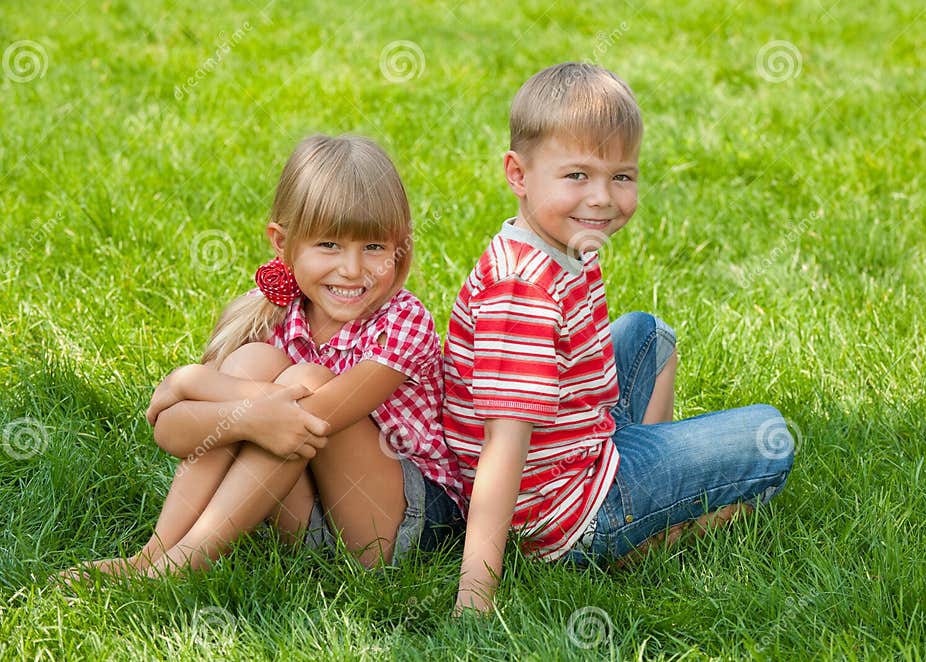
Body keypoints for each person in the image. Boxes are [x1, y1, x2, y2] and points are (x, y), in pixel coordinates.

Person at [443, 63, 795, 614]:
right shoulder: (522, 290)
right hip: (557, 508)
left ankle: (642, 497)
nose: (603, 198)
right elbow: (504, 442)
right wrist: (475, 599)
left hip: (573, 449)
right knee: (770, 436)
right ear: (518, 173)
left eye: (622, 176)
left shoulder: (562, 244)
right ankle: (625, 536)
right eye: (577, 176)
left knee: (648, 334)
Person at [61, 134, 464, 582]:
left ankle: (185, 563)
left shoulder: (404, 321)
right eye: (328, 245)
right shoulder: (272, 312)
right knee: (255, 361)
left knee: (308, 382)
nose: (352, 269)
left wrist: (188, 384)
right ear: (281, 242)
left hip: (400, 527)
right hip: (308, 523)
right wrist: (243, 413)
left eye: (373, 247)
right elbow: (173, 433)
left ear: (399, 247)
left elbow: (306, 422)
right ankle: (153, 554)